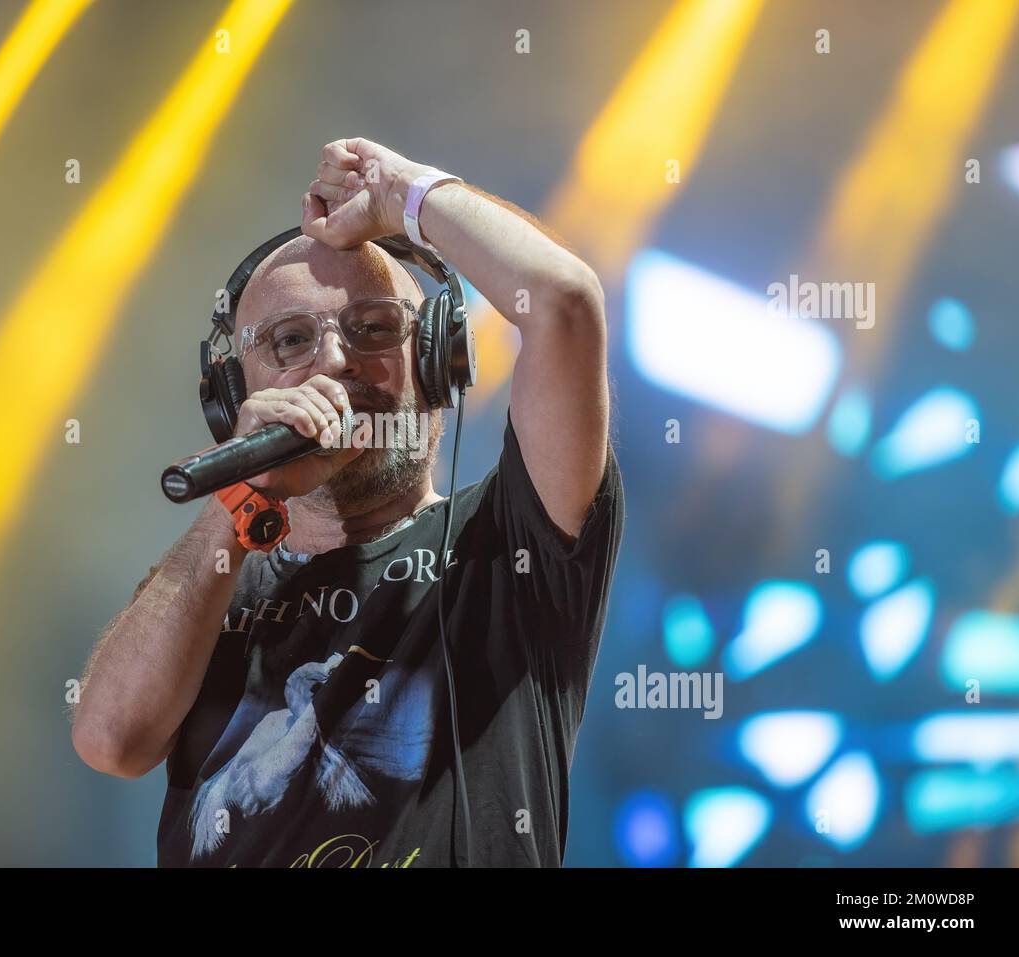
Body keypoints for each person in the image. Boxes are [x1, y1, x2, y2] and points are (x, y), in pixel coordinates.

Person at [71, 137, 624, 867]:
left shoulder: (509, 541)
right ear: (240, 398)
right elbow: (110, 739)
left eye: (374, 329)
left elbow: (563, 302)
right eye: (290, 340)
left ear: (438, 362)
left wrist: (405, 195)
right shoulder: (215, 581)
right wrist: (235, 505)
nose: (334, 361)